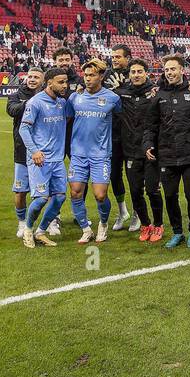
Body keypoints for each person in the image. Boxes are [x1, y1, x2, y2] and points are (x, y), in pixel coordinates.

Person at [144, 55, 190, 247]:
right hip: (167, 154)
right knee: (170, 196)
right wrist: (147, 144)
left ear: (182, 70)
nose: (170, 73)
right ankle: (178, 232)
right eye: (167, 70)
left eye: (173, 69)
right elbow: (151, 124)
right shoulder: (158, 95)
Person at [68, 59, 123, 244]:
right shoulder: (75, 97)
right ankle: (85, 229)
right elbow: (67, 120)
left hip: (100, 154)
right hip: (78, 153)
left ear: (101, 76)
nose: (88, 79)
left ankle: (103, 224)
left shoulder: (113, 98)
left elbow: (121, 119)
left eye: (92, 75)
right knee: (75, 192)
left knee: (100, 195)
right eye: (86, 75)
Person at [19, 69, 73, 248]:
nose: (65, 86)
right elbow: (24, 129)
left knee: (59, 198)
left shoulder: (62, 102)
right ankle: (28, 229)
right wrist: (34, 151)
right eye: (61, 82)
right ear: (50, 83)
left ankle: (40, 231)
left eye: (66, 82)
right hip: (39, 159)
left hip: (57, 159)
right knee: (41, 199)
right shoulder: (35, 103)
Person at [7, 67, 44, 240]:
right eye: (30, 76)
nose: (32, 79)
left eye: (36, 77)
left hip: (44, 150)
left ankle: (50, 222)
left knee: (47, 190)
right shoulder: (16, 95)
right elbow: (12, 110)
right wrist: (31, 102)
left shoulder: (49, 96)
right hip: (22, 150)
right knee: (20, 191)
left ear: (43, 80)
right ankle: (22, 222)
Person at [104, 44, 135, 232]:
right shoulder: (106, 75)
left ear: (128, 58)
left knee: (134, 177)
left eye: (118, 56)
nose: (114, 59)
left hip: (132, 133)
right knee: (114, 174)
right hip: (112, 133)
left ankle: (137, 213)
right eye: (113, 56)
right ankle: (122, 211)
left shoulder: (136, 73)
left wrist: (121, 89)